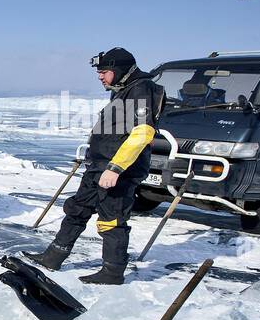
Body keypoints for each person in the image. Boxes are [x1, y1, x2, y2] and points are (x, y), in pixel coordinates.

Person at [24, 47, 165, 285]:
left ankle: (112, 272)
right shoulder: (121, 90)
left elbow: (143, 132)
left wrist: (116, 168)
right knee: (77, 208)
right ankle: (53, 257)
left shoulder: (141, 88)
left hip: (118, 170)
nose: (100, 76)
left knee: (111, 218)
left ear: (119, 70)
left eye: (105, 72)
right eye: (99, 72)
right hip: (99, 165)